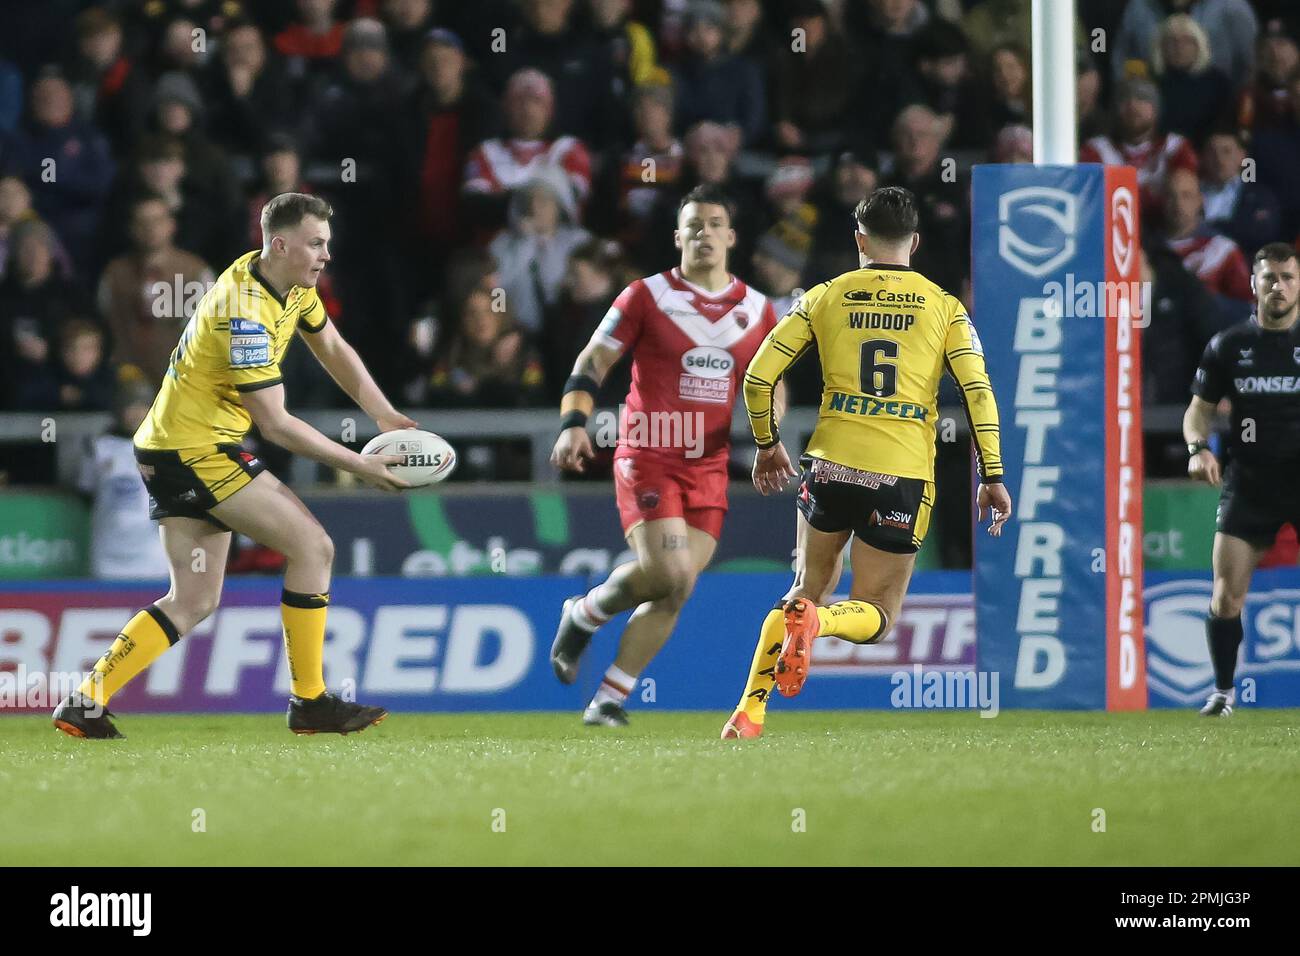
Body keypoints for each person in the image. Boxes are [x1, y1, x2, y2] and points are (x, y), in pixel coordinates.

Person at [51, 193, 414, 740]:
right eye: (316, 244)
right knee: (313, 548)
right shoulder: (243, 311)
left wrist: (383, 414)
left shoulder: (288, 284)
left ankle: (85, 701)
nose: (325, 256)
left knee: (193, 599)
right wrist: (359, 463)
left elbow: (332, 347)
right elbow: (275, 424)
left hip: (167, 448)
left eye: (327, 245)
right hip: (196, 450)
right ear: (281, 244)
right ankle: (310, 701)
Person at [721, 186, 1012, 739]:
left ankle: (748, 711)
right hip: (899, 476)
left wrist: (766, 443)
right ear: (916, 242)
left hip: (828, 468)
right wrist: (991, 475)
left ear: (859, 239)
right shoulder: (945, 307)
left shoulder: (823, 296)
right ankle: (823, 624)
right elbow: (979, 392)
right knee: (877, 611)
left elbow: (759, 375)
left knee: (802, 587)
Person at [548, 183, 781, 726]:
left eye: (714, 223)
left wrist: (769, 442)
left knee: (675, 587)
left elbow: (770, 382)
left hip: (709, 464)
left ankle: (607, 693)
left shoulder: (758, 310)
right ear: (678, 236)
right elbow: (594, 359)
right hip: (647, 453)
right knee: (670, 571)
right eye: (693, 225)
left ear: (732, 236)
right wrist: (572, 424)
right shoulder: (645, 296)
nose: (704, 233)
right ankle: (584, 616)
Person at [1184, 242, 1300, 717]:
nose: (1279, 286)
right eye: (1269, 277)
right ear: (1252, 284)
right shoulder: (1229, 346)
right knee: (1226, 595)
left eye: (1288, 277)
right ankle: (1224, 693)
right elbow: (1198, 412)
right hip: (1249, 482)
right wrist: (1197, 450)